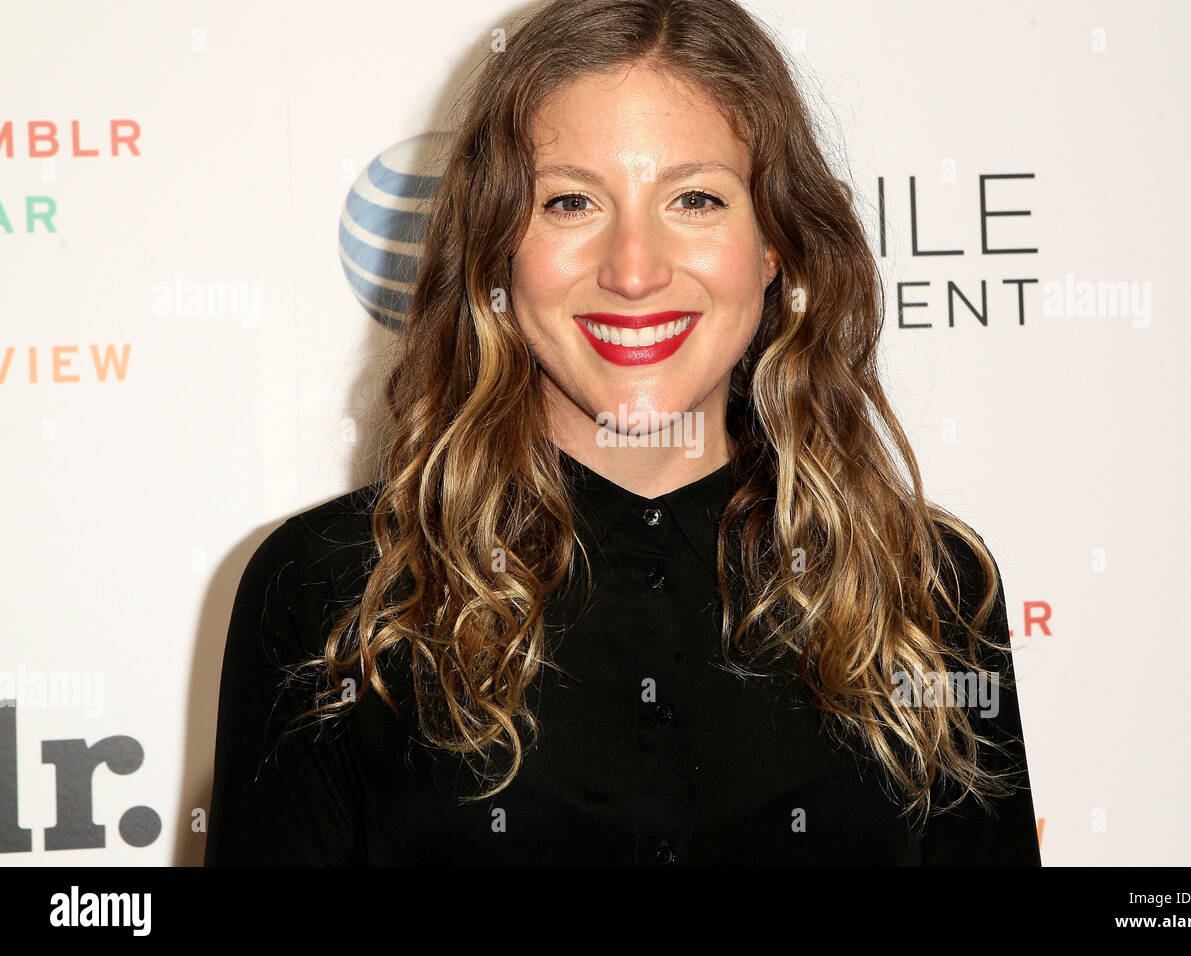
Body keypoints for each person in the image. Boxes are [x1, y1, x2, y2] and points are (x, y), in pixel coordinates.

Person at [203, 0, 1040, 866]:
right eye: (571, 202)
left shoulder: (925, 592)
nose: (633, 270)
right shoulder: (336, 592)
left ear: (776, 244)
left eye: (695, 198)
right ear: (495, 247)